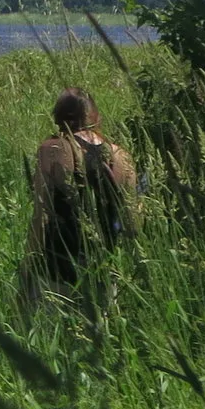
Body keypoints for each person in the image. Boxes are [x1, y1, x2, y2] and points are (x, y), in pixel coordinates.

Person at [25, 87, 140, 303]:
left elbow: (41, 217)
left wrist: (27, 267)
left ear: (58, 119)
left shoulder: (51, 150)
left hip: (57, 271)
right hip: (104, 271)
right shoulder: (121, 156)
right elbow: (132, 224)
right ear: (97, 117)